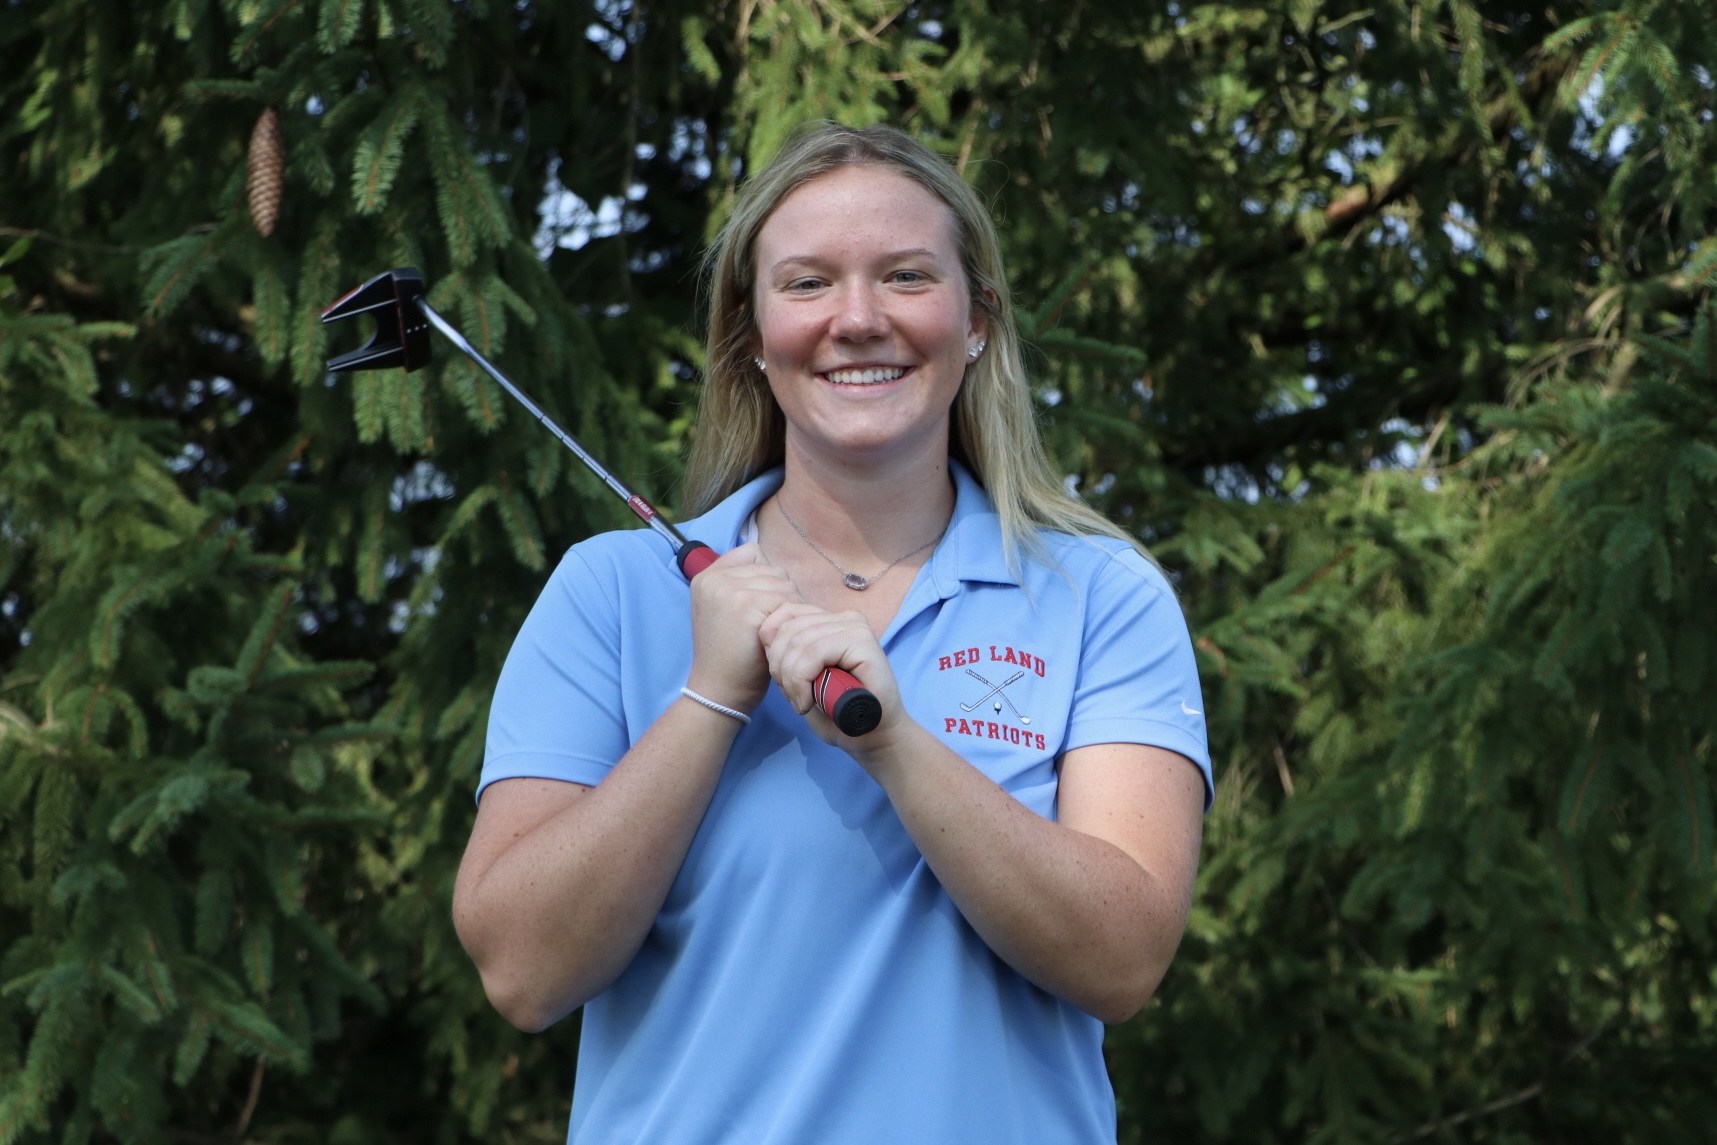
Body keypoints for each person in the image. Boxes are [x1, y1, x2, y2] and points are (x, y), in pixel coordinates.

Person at [452, 123, 1212, 1145]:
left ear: (977, 320)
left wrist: (895, 748)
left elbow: (1121, 961)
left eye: (905, 275)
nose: (857, 320)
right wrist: (708, 700)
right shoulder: (610, 591)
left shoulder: (1100, 596)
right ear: (751, 334)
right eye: (807, 283)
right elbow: (522, 970)